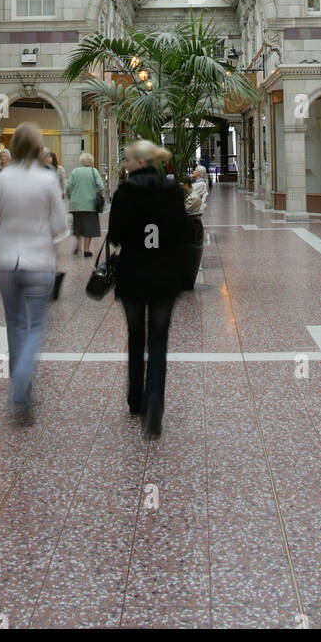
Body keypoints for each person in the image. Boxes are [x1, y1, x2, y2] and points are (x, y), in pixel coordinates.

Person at [108, 140, 194, 439]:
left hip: (133, 274)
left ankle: (135, 399)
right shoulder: (172, 191)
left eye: (128, 159)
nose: (125, 164)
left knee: (136, 336)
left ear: (141, 162)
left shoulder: (124, 192)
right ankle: (154, 399)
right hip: (164, 275)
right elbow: (185, 233)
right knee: (159, 339)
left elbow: (115, 236)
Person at [0, 123, 64, 421]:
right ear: (38, 148)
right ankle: (20, 390)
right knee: (36, 326)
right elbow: (59, 224)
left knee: (15, 323)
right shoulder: (47, 179)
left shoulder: (2, 176)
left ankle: (19, 386)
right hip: (38, 260)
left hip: (5, 259)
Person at [65, 151, 105, 257]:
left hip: (76, 205)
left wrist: (70, 196)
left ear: (81, 161)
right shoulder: (94, 171)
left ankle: (78, 244)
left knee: (77, 226)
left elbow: (69, 186)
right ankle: (86, 250)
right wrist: (98, 194)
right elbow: (101, 186)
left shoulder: (75, 171)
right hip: (90, 205)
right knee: (89, 228)